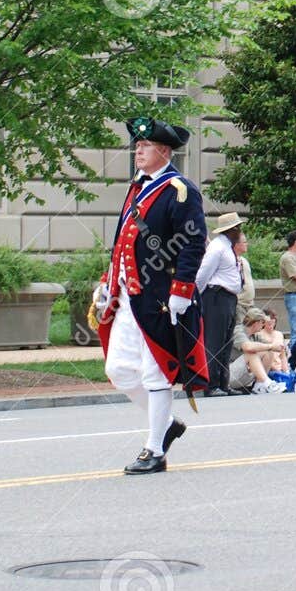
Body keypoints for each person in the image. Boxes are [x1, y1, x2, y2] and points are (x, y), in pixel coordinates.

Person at [94, 116, 208, 475]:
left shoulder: (180, 189)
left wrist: (182, 290)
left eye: (144, 146)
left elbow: (192, 242)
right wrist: (108, 281)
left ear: (163, 150)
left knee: (156, 373)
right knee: (119, 370)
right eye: (137, 146)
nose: (137, 151)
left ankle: (154, 449)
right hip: (129, 295)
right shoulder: (138, 189)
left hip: (161, 297)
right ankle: (168, 423)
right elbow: (123, 244)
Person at [194, 212, 244, 397]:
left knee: (226, 343)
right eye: (238, 227)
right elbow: (203, 274)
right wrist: (197, 295)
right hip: (216, 297)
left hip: (227, 298)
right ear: (232, 230)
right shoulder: (217, 248)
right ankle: (211, 385)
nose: (240, 231)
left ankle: (223, 383)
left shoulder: (226, 246)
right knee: (214, 342)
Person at [230, 308, 288, 394]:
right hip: (229, 375)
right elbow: (247, 347)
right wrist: (271, 346)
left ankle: (259, 385)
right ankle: (267, 383)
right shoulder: (238, 330)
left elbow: (269, 346)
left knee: (269, 351)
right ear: (256, 323)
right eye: (263, 323)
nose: (263, 326)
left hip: (243, 375)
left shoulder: (255, 336)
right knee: (251, 353)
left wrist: (279, 347)